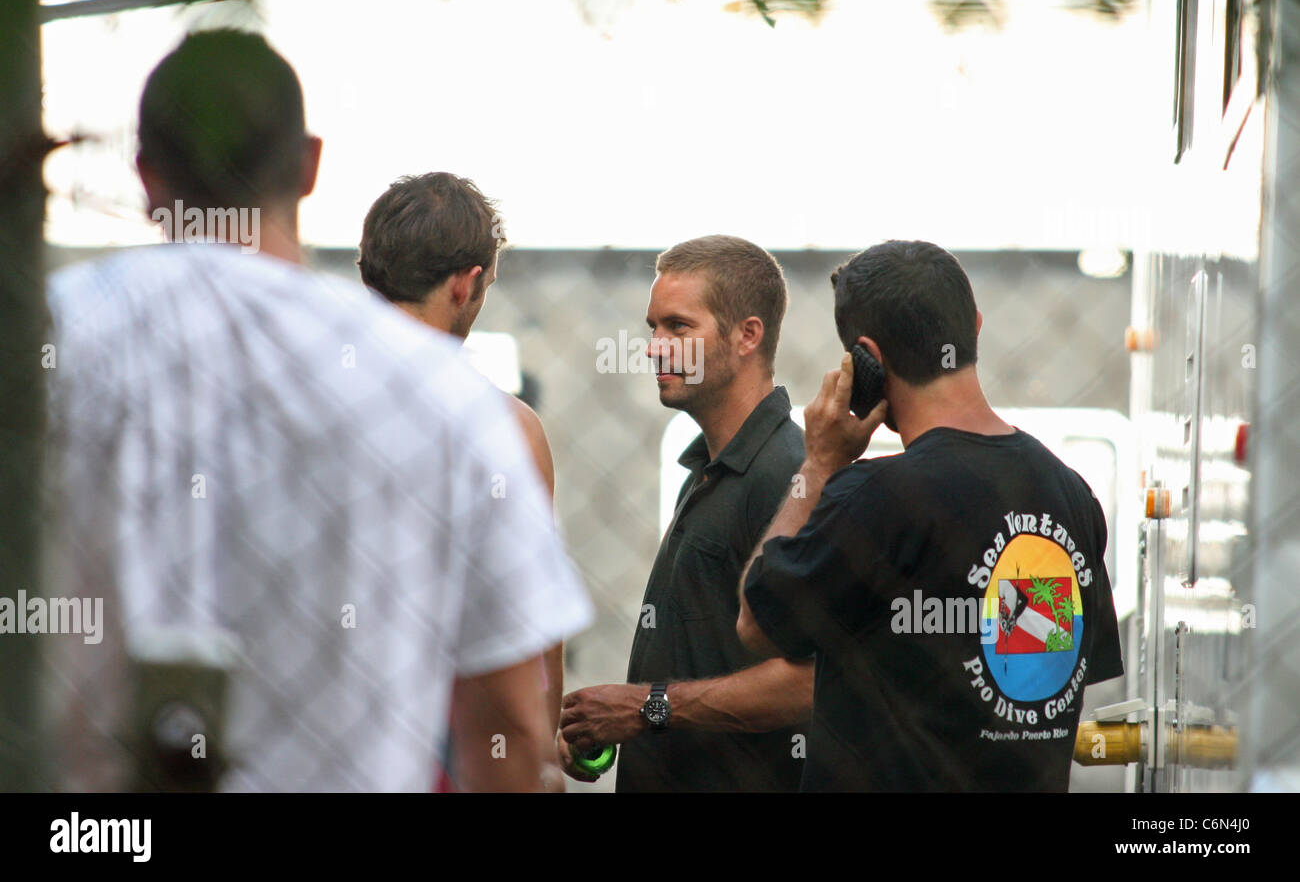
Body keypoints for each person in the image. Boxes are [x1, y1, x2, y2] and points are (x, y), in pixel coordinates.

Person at [40, 29, 592, 792]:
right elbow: (511, 717)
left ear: (144, 172)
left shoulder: (46, 343)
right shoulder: (439, 395)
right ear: (309, 166)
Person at [737, 239, 1124, 791]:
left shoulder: (876, 495)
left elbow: (757, 621)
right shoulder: (1072, 495)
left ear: (866, 358)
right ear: (976, 326)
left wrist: (820, 462)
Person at [559, 236, 811, 792]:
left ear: (748, 335)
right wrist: (616, 720)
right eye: (652, 327)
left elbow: (810, 681)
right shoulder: (709, 466)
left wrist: (646, 707)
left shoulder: (787, 473)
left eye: (678, 327)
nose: (653, 347)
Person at [357, 171, 566, 789]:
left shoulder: (291, 399)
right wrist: (541, 758)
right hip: (447, 742)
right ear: (467, 283)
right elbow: (528, 623)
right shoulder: (503, 428)